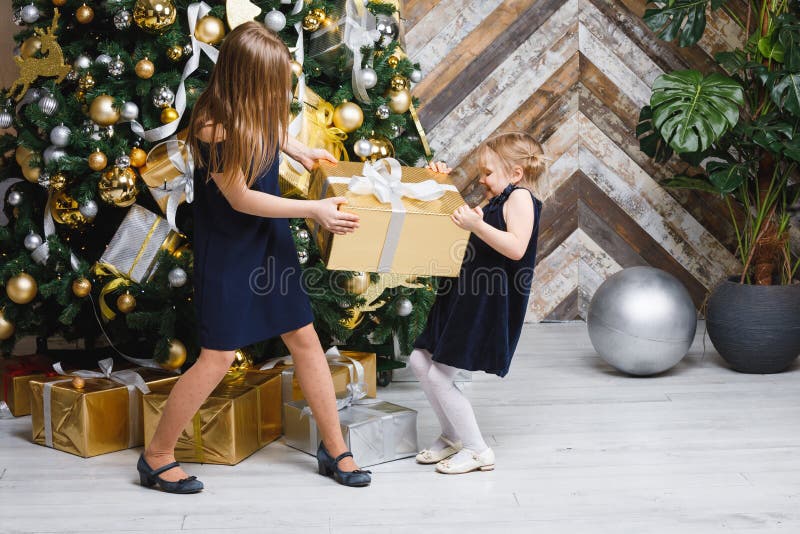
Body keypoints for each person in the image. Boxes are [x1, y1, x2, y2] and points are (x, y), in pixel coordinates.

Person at [137, 22, 371, 493]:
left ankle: (333, 447)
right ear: (247, 80)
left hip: (269, 241)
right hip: (231, 248)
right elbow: (241, 198)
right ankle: (156, 456)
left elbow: (272, 127)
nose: (281, 92)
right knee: (218, 357)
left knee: (304, 338)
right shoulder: (213, 126)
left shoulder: (257, 103)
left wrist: (299, 149)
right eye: (274, 83)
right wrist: (313, 211)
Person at [409, 131, 547, 474]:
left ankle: (477, 449)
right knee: (417, 359)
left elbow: (516, 247)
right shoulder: (496, 198)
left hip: (486, 299)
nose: (481, 179)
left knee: (440, 376)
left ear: (515, 174)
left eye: (487, 173)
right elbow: (461, 223)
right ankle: (452, 434)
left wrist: (476, 223)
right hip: (461, 292)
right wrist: (437, 181)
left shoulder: (521, 199)